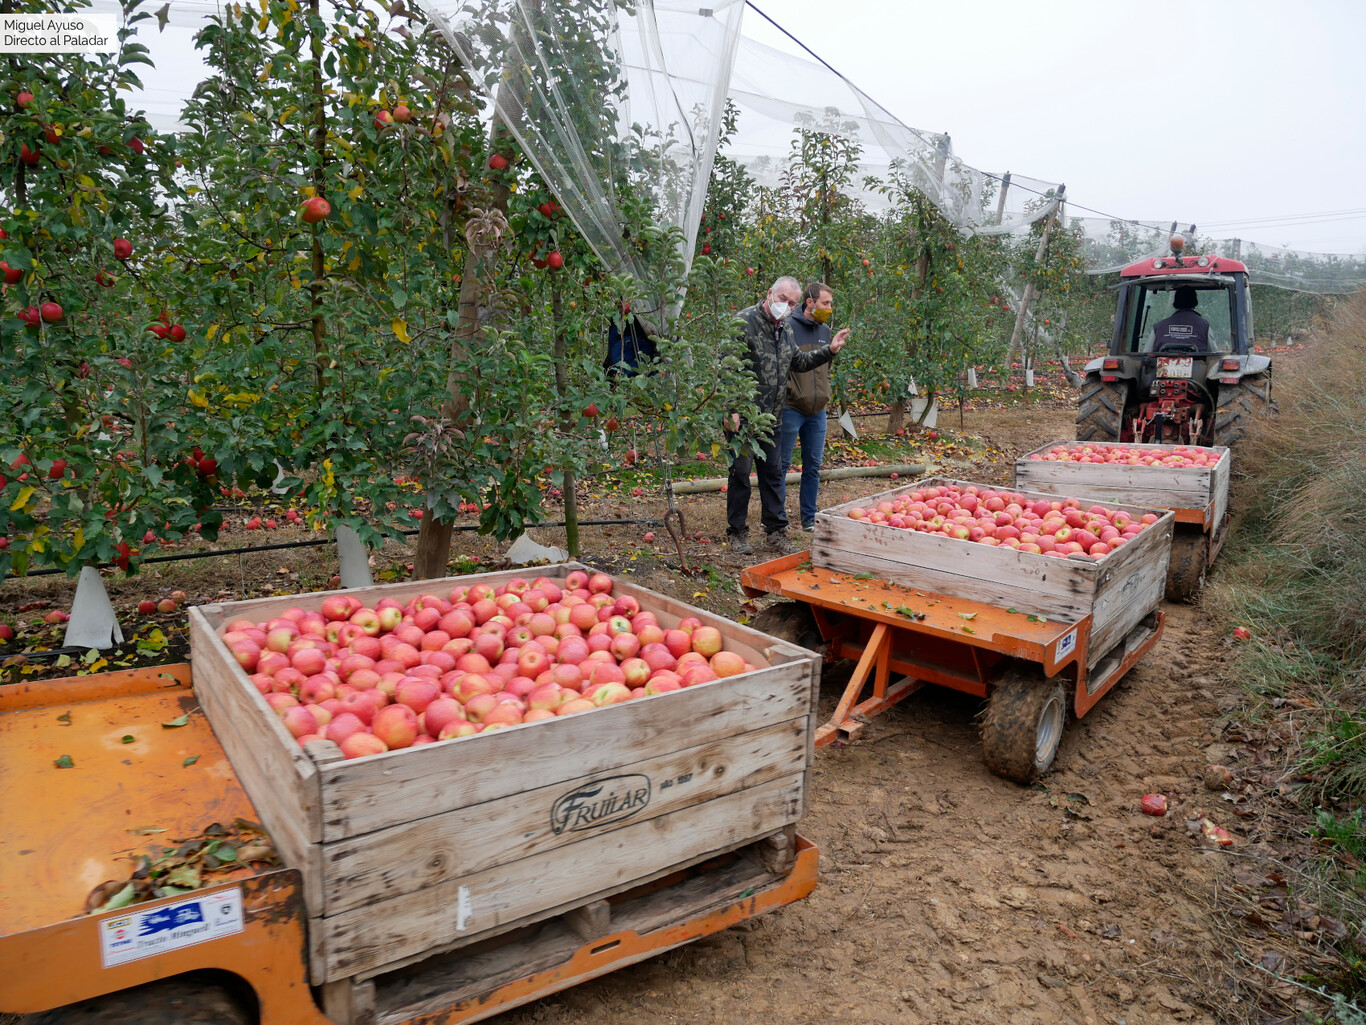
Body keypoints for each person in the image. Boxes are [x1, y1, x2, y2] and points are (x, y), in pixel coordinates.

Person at [726, 276, 850, 556]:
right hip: (745, 416)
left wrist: (828, 351)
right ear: (769, 294)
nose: (787, 306)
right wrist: (730, 408)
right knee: (741, 474)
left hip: (772, 417)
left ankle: (776, 532)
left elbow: (799, 362)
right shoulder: (743, 322)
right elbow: (727, 367)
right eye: (783, 299)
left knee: (772, 474)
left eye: (792, 303)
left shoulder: (785, 329)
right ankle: (737, 532)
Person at [780, 281, 836, 533]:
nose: (829, 308)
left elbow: (824, 369)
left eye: (831, 304)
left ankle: (809, 519)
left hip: (817, 411)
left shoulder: (825, 330)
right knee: (780, 466)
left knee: (813, 467)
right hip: (792, 407)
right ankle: (777, 520)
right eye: (825, 303)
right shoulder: (788, 326)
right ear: (810, 302)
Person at [1152, 286, 1210, 352]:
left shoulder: (1158, 327)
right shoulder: (1205, 325)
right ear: (1195, 301)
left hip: (1162, 362)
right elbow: (1213, 353)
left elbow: (1146, 352)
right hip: (1198, 362)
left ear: (1176, 301)